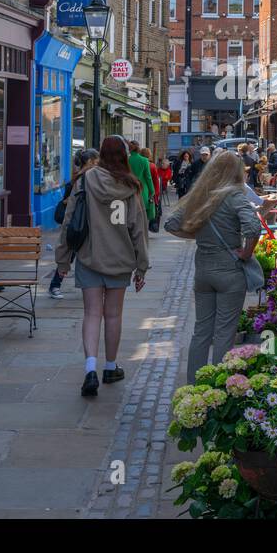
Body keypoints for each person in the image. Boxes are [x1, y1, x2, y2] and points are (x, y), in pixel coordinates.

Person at [56, 136, 149, 398]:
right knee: (113, 315)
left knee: (92, 314)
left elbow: (69, 220)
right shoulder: (131, 186)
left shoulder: (86, 180)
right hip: (120, 260)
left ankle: (90, 369)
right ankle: (110, 366)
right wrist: (142, 266)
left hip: (89, 256)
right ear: (124, 156)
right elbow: (138, 229)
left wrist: (63, 260)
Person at [165, 150, 262, 383]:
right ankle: (218, 388)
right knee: (224, 334)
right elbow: (253, 227)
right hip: (229, 269)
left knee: (201, 331)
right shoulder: (235, 195)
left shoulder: (200, 195)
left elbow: (171, 224)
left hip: (204, 270)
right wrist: (247, 252)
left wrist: (196, 234)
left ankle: (194, 386)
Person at [47, 148, 99, 299]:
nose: (98, 165)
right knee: (69, 254)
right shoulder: (81, 179)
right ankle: (55, 285)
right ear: (89, 162)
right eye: (96, 162)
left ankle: (58, 285)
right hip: (78, 222)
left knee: (74, 255)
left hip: (83, 222)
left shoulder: (81, 177)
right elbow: (68, 201)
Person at [127, 141, 157, 224]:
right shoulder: (144, 160)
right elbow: (148, 177)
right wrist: (152, 190)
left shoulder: (127, 160)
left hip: (128, 190)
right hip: (143, 190)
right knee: (142, 215)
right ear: (138, 148)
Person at [141, 147, 163, 229]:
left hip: (141, 190)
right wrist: (156, 195)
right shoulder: (152, 166)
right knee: (149, 211)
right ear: (149, 155)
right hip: (150, 192)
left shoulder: (140, 164)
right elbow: (156, 181)